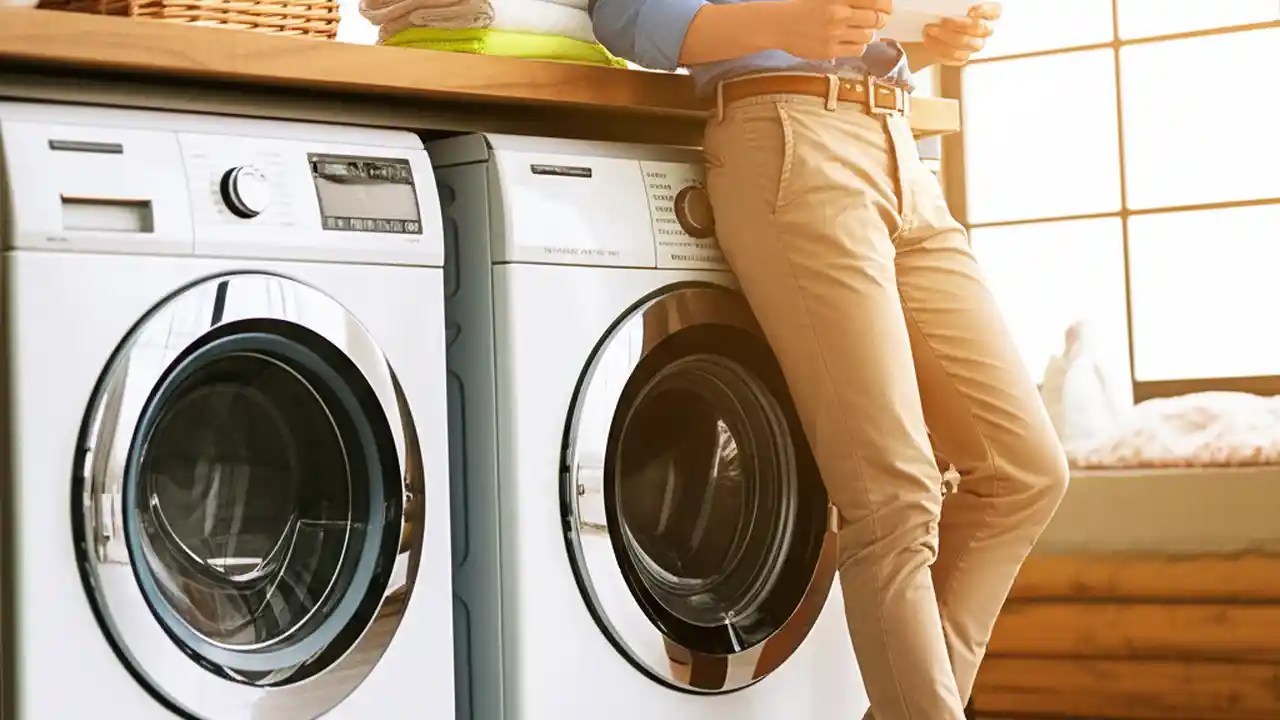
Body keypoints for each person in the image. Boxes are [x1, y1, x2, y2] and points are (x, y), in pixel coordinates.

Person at [587, 1, 1071, 718]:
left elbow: (844, 35)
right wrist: (782, 26)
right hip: (788, 139)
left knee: (1023, 472)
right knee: (895, 500)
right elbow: (626, 14)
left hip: (894, 138)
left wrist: (927, 39)